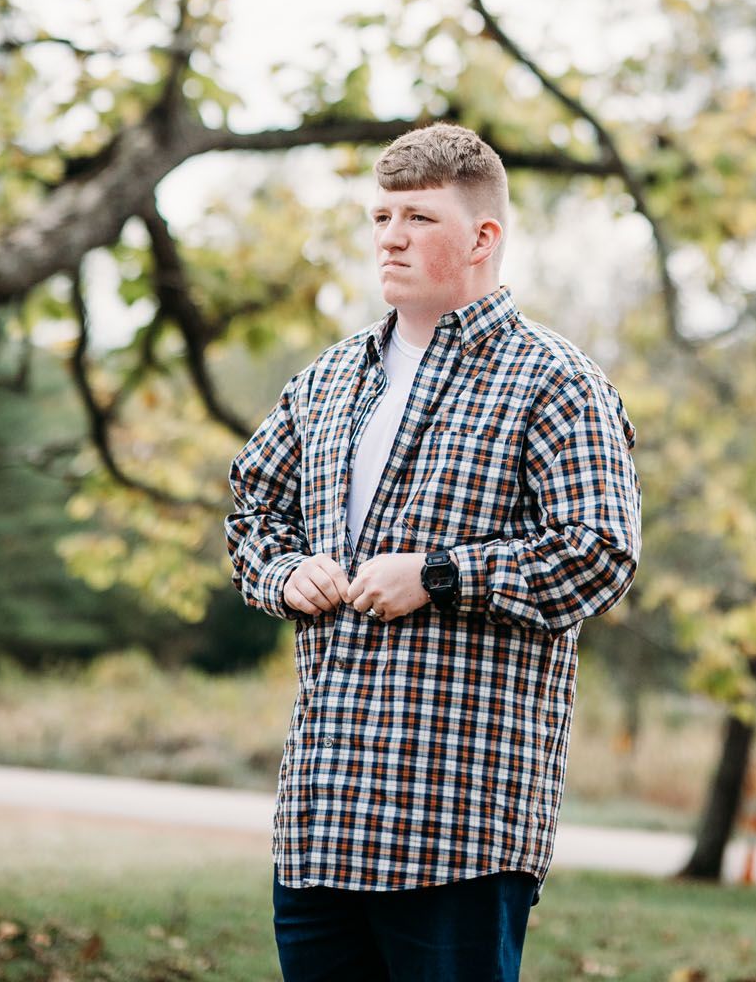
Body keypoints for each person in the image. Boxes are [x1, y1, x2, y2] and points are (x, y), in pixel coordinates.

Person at [225, 122, 643, 982]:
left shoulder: (555, 381)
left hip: (456, 824)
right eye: (380, 216)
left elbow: (600, 553)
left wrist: (441, 576)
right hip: (322, 820)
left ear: (483, 237)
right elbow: (251, 509)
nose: (389, 237)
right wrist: (282, 572)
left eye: (416, 217)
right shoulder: (329, 379)